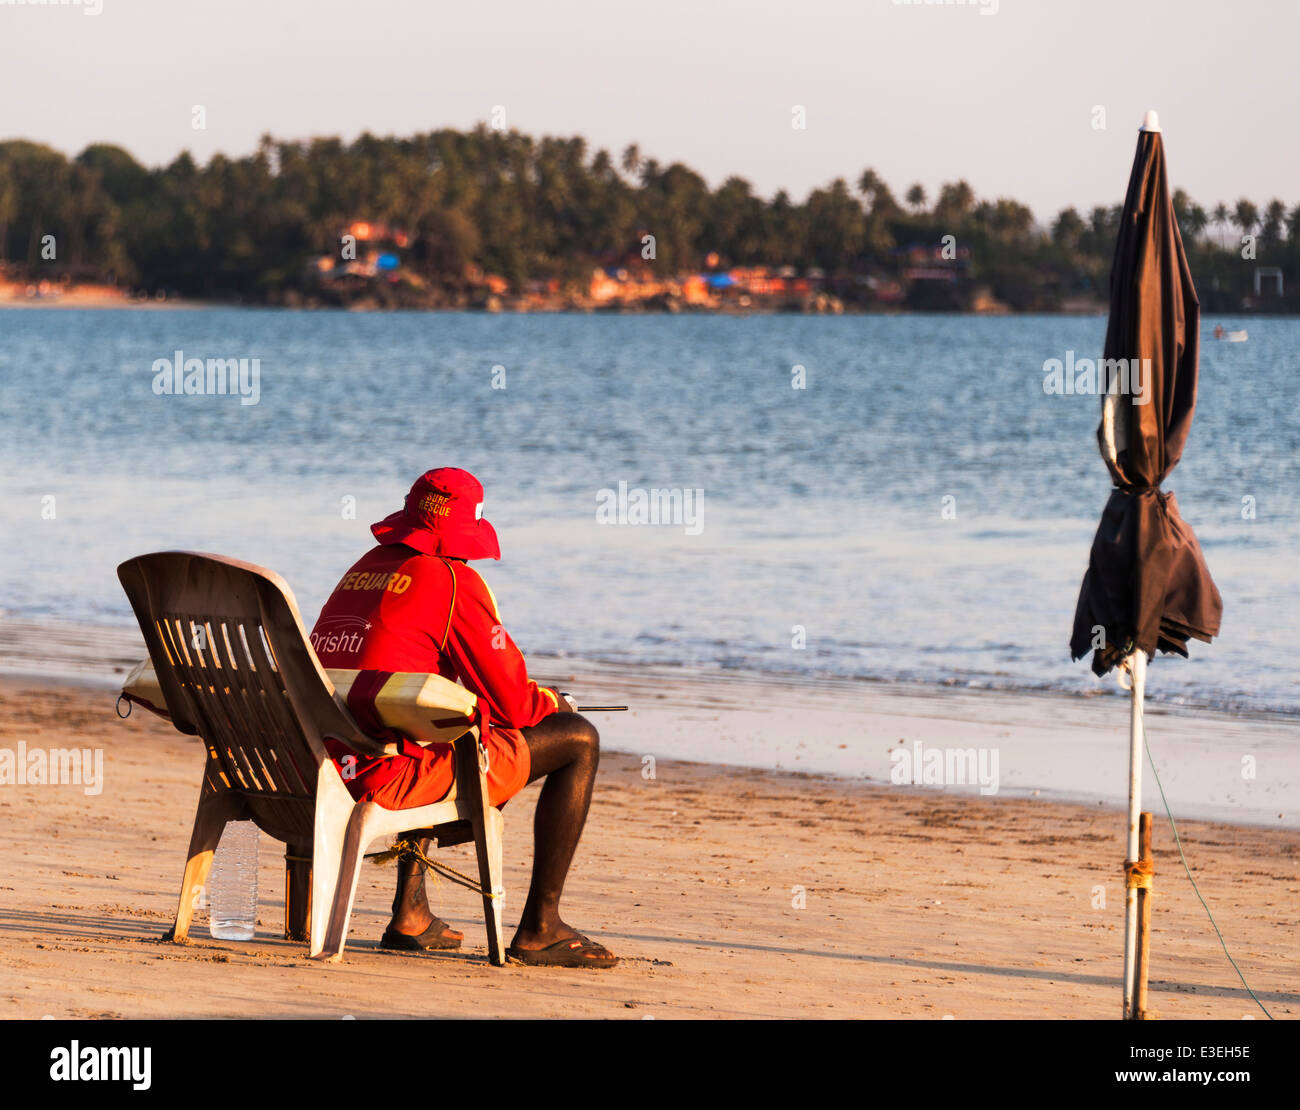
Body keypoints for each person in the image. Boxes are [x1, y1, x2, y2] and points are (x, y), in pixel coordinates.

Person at [311, 467, 616, 968]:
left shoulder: (364, 569)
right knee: (579, 738)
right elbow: (515, 703)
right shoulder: (453, 581)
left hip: (320, 760)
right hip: (383, 776)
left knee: (420, 719)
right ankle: (541, 927)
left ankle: (411, 912)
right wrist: (553, 702)